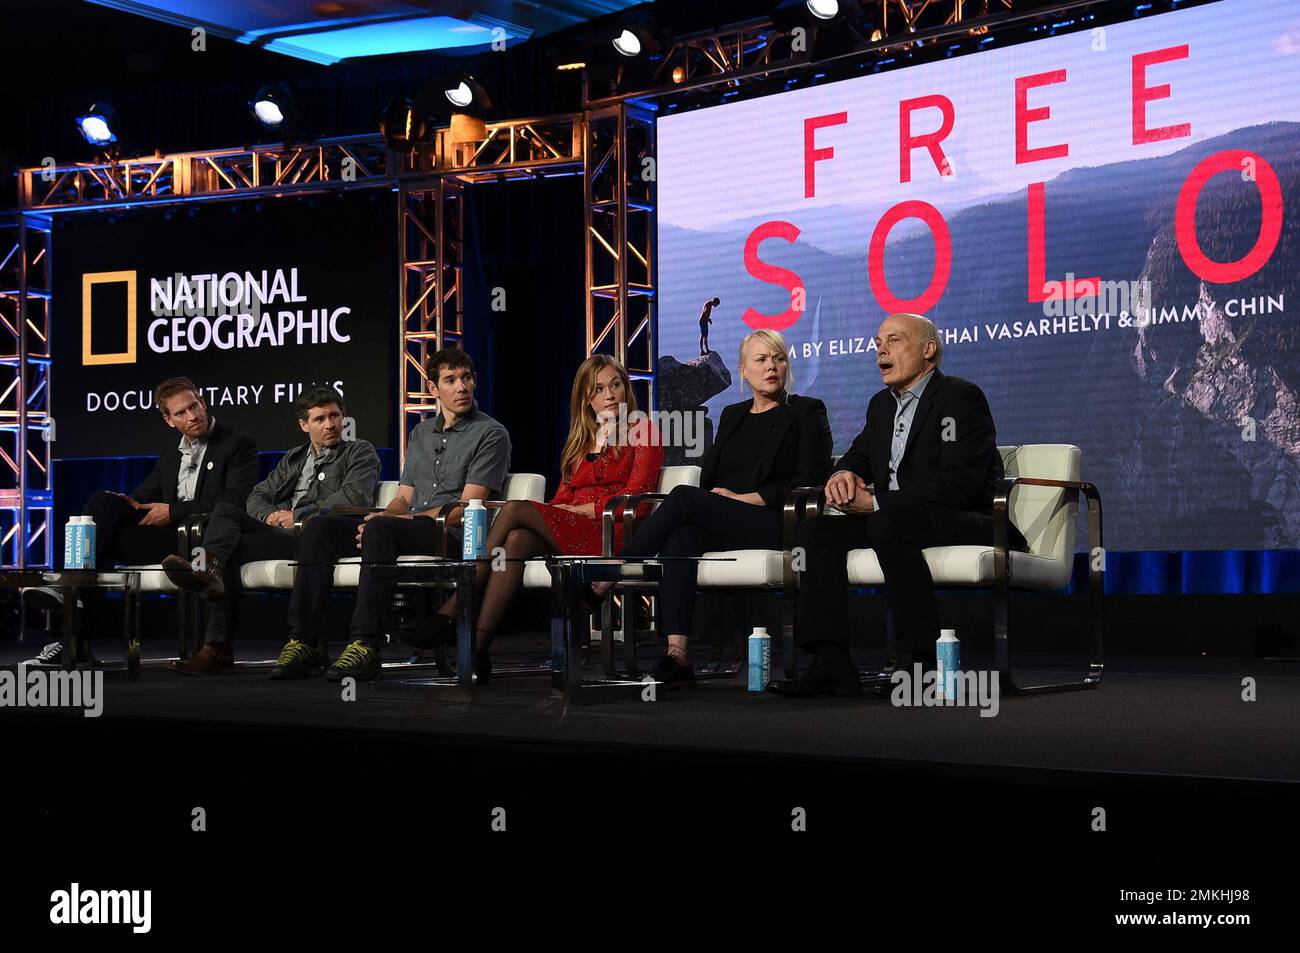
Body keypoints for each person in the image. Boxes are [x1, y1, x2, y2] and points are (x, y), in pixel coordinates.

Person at [772, 312, 1022, 699]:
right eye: (877, 343)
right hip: (894, 518)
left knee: (885, 520)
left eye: (893, 340)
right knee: (815, 530)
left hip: (964, 517)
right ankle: (832, 664)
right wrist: (843, 475)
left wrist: (877, 501)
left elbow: (960, 485)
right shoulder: (881, 405)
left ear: (928, 350)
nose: (880, 352)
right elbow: (859, 455)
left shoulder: (960, 397)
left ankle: (919, 662)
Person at [592, 329, 833, 688]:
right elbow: (713, 478)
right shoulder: (733, 415)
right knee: (681, 536)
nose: (772, 367)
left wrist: (744, 499)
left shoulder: (806, 411)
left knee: (686, 498)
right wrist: (720, 502)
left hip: (776, 522)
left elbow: (811, 477)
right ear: (743, 370)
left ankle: (613, 569)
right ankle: (678, 656)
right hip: (727, 520)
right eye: (762, 360)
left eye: (779, 359)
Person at [268, 348, 510, 683]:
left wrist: (394, 522)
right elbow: (403, 498)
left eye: (466, 378)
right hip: (408, 528)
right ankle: (303, 640)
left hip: (455, 535)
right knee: (320, 527)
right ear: (432, 387)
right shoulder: (421, 433)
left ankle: (365, 644)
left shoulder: (491, 434)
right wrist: (383, 517)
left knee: (382, 529)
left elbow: (468, 507)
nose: (461, 387)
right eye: (450, 380)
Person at [431, 355, 662, 680]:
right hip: (570, 531)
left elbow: (635, 505)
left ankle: (460, 598)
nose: (610, 394)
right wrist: (561, 511)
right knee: (516, 539)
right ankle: (478, 652)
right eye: (599, 388)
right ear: (586, 397)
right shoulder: (582, 441)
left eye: (616, 384)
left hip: (613, 534)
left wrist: (574, 511)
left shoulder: (644, 431)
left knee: (515, 508)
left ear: (626, 389)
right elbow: (559, 501)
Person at [24, 377, 257, 667]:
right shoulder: (171, 453)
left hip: (204, 540)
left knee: (104, 542)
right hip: (167, 540)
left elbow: (236, 499)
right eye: (181, 413)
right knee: (103, 507)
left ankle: (72, 614)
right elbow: (145, 494)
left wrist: (172, 511)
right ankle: (74, 606)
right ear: (168, 420)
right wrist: (124, 502)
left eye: (194, 406)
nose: (192, 416)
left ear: (203, 402)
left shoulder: (236, 443)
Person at [159, 385, 381, 674]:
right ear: (304, 425)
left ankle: (223, 642)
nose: (329, 425)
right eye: (319, 419)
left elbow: (354, 497)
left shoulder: (358, 451)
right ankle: (210, 574)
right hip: (285, 536)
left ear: (344, 417)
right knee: (227, 514)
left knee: (231, 548)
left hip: (323, 536)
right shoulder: (294, 459)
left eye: (334, 416)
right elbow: (256, 496)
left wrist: (297, 515)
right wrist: (270, 517)